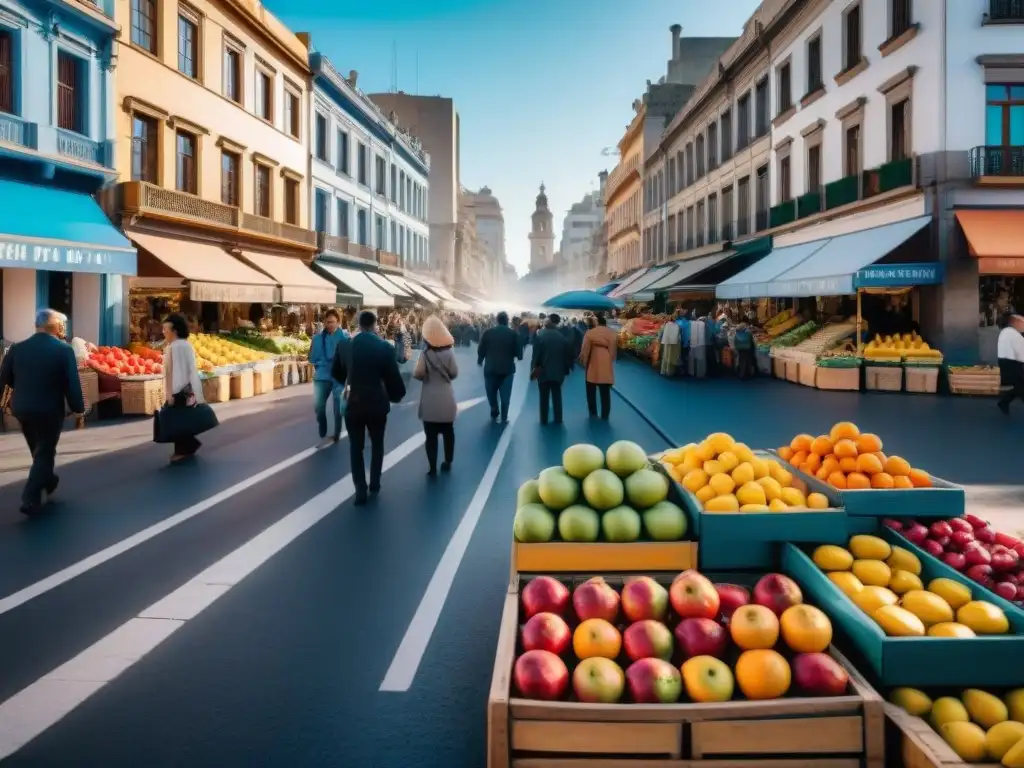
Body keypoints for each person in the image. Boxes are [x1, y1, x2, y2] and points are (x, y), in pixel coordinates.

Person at [0, 309, 84, 514]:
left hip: (22, 408)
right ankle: (30, 496)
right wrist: (79, 411)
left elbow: (5, 378)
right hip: (49, 409)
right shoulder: (63, 350)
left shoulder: (17, 349)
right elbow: (72, 384)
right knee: (45, 450)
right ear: (57, 326)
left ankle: (48, 480)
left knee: (39, 449)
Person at [331, 310, 406, 504]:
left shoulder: (345, 345)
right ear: (374, 325)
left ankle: (360, 490)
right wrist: (396, 395)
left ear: (359, 325)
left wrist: (349, 383)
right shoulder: (384, 348)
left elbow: (337, 374)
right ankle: (374, 483)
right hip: (377, 404)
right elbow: (392, 378)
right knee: (377, 445)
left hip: (353, 404)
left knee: (356, 448)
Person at [160, 313, 208, 463]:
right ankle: (188, 446)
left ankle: (184, 449)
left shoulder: (175, 347)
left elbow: (173, 371)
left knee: (176, 421)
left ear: (174, 331)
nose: (163, 332)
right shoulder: (186, 345)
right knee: (181, 420)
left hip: (179, 389)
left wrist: (171, 393)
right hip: (187, 389)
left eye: (165, 329)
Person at [415, 316, 459, 474]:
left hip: (429, 401)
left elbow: (418, 374)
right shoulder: (449, 353)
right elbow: (454, 373)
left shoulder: (425, 355)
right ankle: (448, 461)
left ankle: (432, 466)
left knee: (430, 436)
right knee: (448, 432)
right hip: (446, 398)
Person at [309, 308, 348, 447]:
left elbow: (348, 358)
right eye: (327, 322)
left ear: (338, 322)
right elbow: (312, 357)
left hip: (338, 376)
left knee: (338, 406)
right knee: (318, 406)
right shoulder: (317, 338)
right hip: (322, 376)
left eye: (332, 322)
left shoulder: (344, 337)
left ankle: (337, 433)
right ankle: (322, 426)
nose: (330, 325)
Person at [478, 311, 522, 423]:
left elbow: (481, 349)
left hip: (490, 368)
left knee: (491, 392)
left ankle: (494, 407)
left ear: (497, 320)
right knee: (505, 395)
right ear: (507, 321)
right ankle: (504, 415)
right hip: (507, 369)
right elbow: (519, 354)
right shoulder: (514, 334)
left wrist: (480, 359)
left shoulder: (488, 333)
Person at [531, 313, 574, 425]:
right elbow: (568, 355)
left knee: (543, 397)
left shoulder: (540, 337)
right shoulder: (562, 338)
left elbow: (536, 356)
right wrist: (568, 367)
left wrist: (534, 369)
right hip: (558, 373)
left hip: (543, 372)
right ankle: (558, 419)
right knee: (557, 395)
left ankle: (544, 419)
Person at [580, 314, 618, 419]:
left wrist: (584, 362)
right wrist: (609, 358)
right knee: (605, 392)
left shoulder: (590, 333)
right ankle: (605, 414)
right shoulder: (612, 334)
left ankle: (593, 412)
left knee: (590, 389)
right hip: (606, 361)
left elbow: (585, 350)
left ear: (596, 323)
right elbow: (613, 353)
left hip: (593, 362)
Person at [997, 313, 1024, 415]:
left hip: (1007, 361)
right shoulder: (1013, 334)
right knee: (1020, 386)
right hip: (1012, 363)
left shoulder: (1007, 332)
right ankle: (1004, 402)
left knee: (1019, 386)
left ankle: (1004, 402)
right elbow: (1021, 351)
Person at [659, 311, 682, 376]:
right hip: (675, 344)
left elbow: (660, 333)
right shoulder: (678, 325)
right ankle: (670, 372)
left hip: (666, 343)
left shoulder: (665, 324)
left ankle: (664, 371)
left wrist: (659, 340)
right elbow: (680, 335)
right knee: (672, 357)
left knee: (665, 356)